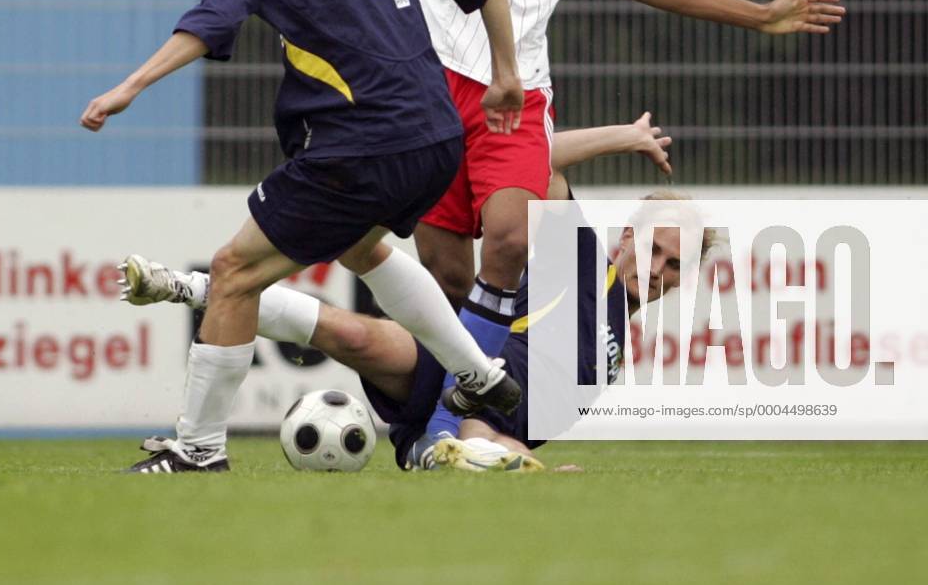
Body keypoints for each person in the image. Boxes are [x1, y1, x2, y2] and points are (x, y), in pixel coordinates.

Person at [341, 0, 845, 442]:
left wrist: (759, 14)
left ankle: (439, 433)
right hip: (430, 76)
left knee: (513, 239)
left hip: (517, 91)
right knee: (447, 273)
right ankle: (428, 423)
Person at [79, 0, 528, 473]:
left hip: (360, 143)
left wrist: (129, 87)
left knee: (233, 272)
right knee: (360, 244)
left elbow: (212, 23)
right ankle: (481, 373)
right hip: (435, 134)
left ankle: (198, 450)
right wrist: (505, 74)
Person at [119, 116, 683, 473]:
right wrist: (625, 138)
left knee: (490, 460)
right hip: (451, 368)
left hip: (484, 421)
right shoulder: (585, 261)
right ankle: (191, 288)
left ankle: (446, 454)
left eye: (674, 265)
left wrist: (528, 461)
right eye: (655, 249)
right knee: (351, 330)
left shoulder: (616, 350)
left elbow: (532, 415)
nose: (658, 269)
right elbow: (539, 159)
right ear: (628, 235)